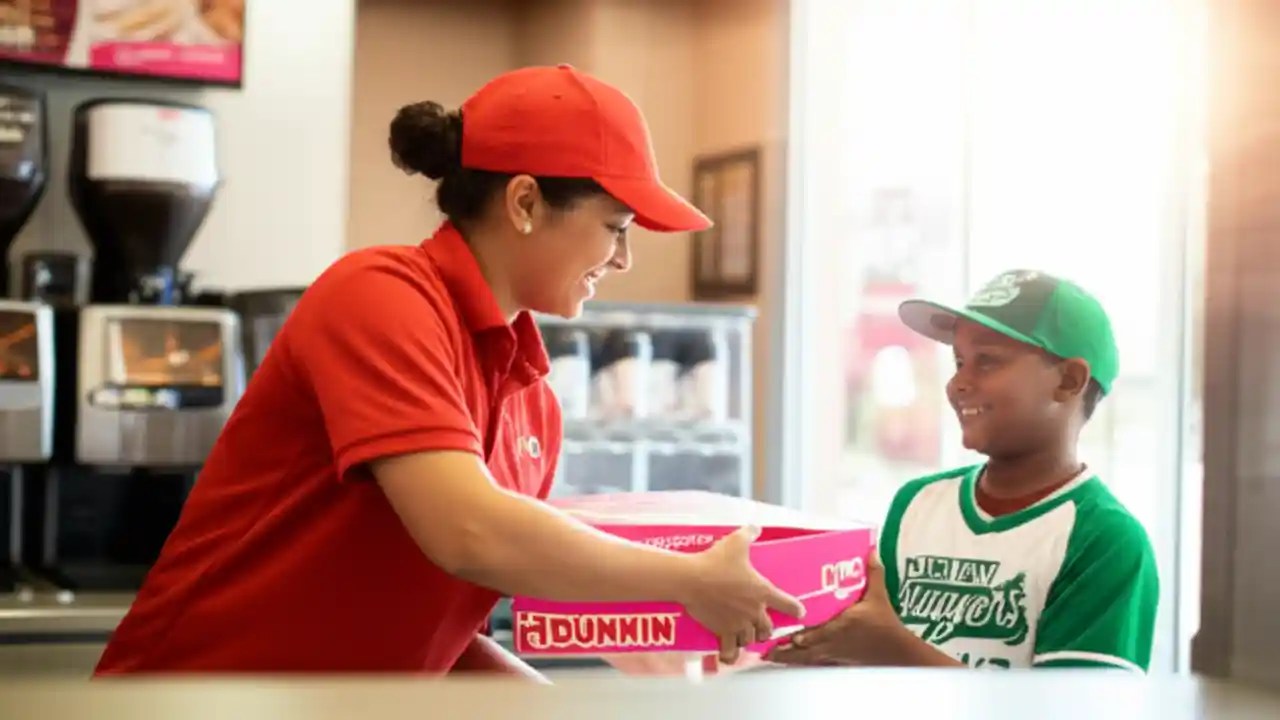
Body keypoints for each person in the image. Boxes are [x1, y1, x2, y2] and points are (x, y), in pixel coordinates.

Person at [94, 64, 803, 678]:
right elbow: (469, 531)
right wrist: (685, 582)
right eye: (616, 227)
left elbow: (433, 637)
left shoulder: (532, 399)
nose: (622, 260)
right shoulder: (379, 295)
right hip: (192, 696)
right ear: (525, 202)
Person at [767, 269, 1159, 671]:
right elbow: (865, 644)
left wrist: (895, 651)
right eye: (958, 361)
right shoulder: (917, 503)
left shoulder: (1106, 540)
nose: (957, 384)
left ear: (1069, 380)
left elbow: (1071, 710)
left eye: (987, 362)